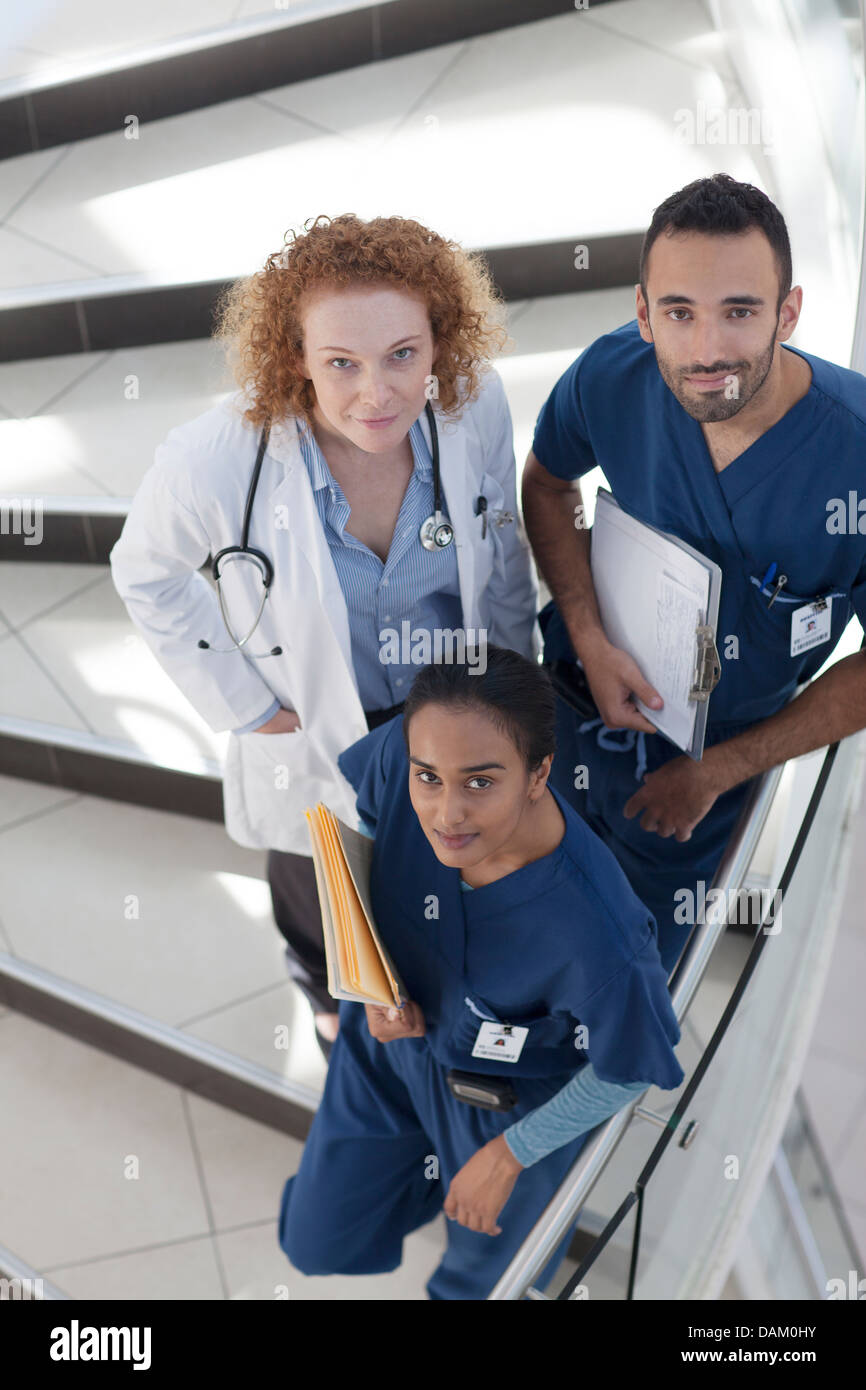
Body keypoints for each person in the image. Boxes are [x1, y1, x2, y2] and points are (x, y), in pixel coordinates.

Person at [110, 214, 539, 1056]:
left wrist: (518, 684)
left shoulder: (472, 404)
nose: (375, 392)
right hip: (310, 729)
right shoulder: (215, 461)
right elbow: (144, 572)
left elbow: (503, 540)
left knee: (440, 876)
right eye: (340, 362)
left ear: (439, 342)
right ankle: (323, 992)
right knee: (320, 888)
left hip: (442, 705)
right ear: (294, 358)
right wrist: (244, 701)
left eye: (402, 355)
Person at [522, 173, 866, 975]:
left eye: (740, 312)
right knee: (523, 915)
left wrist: (716, 774)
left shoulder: (855, 451)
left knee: (638, 969)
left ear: (789, 312)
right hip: (573, 701)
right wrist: (588, 634)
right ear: (643, 314)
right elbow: (547, 483)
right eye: (679, 312)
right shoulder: (612, 377)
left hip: (714, 765)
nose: (708, 350)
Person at [277, 647, 684, 1300]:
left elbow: (631, 1065)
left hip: (507, 1105)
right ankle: (423, 1177)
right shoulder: (404, 758)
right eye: (429, 777)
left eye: (480, 782)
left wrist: (509, 1156)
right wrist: (378, 989)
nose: (446, 814)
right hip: (394, 1042)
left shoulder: (595, 931)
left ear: (537, 773)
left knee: (483, 1293)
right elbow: (375, 827)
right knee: (318, 1237)